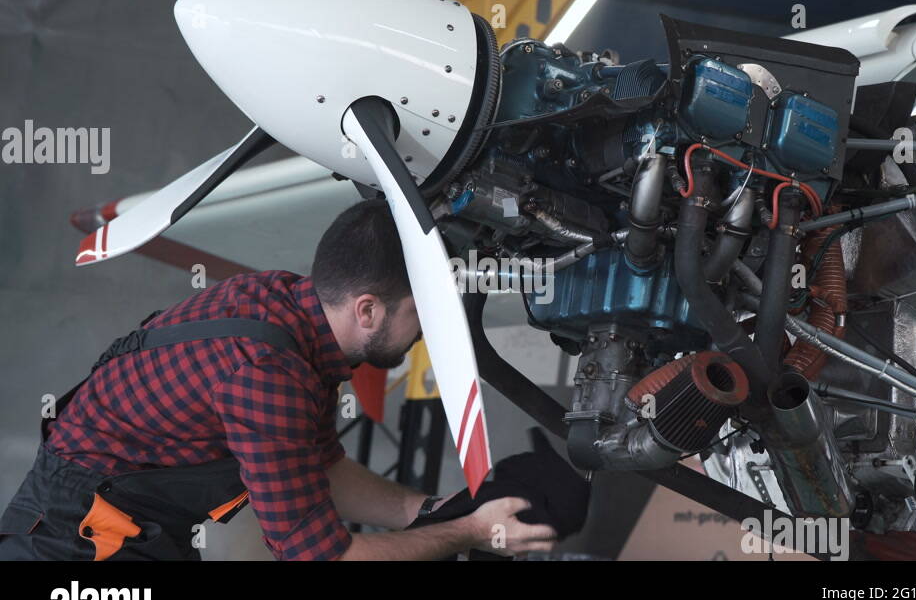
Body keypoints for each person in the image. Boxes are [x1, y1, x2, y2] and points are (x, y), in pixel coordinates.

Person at [0, 198, 557, 561]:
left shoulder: (287, 306)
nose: (428, 331)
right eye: (420, 312)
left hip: (120, 528)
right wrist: (471, 532)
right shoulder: (267, 375)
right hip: (70, 545)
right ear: (366, 310)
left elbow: (318, 467)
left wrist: (427, 511)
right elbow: (321, 556)